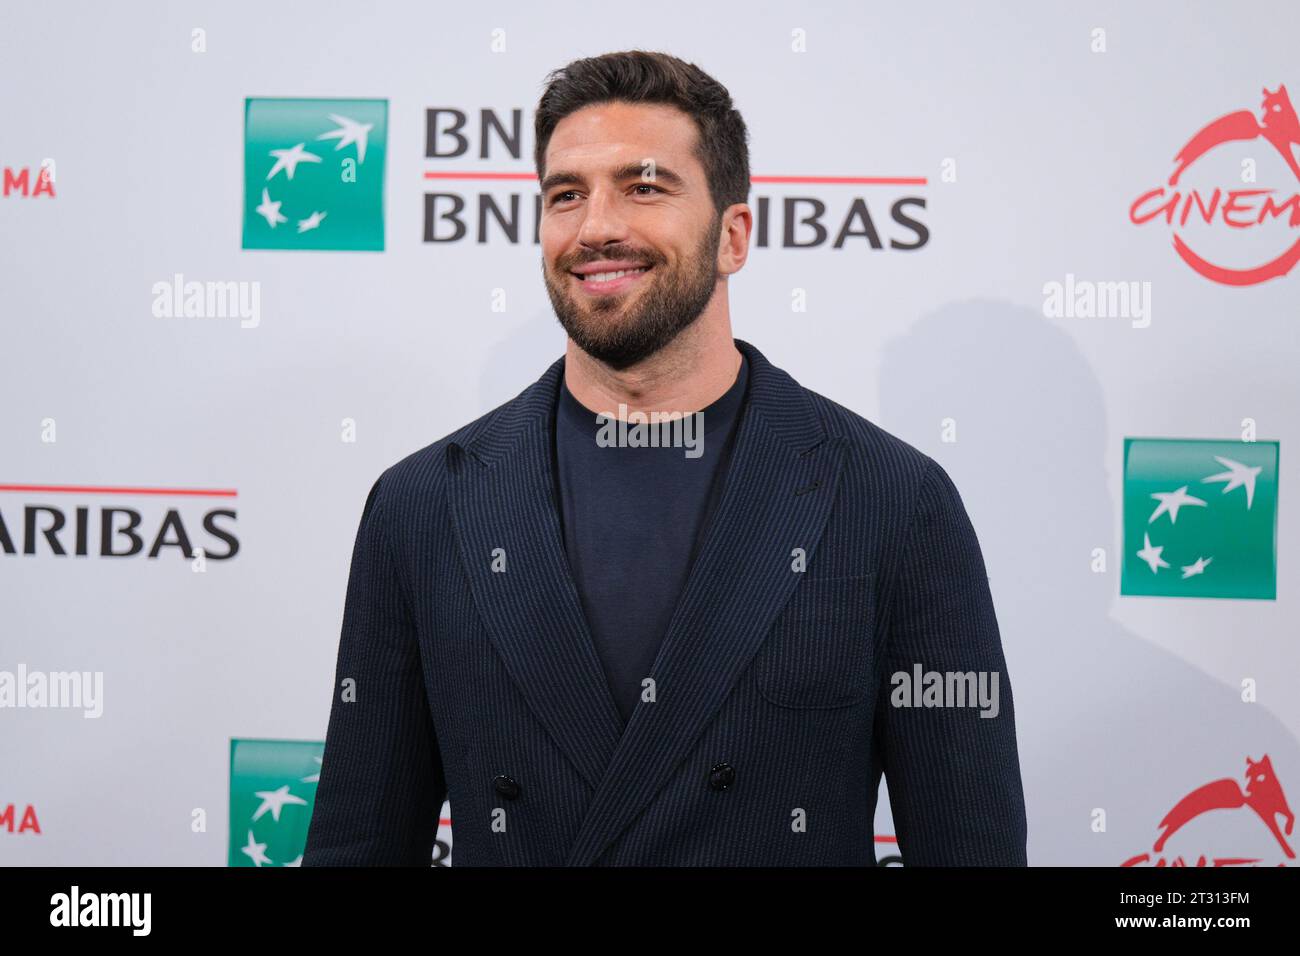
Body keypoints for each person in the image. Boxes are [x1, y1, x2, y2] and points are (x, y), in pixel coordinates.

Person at [302, 49, 1026, 866]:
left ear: (733, 235)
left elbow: (971, 848)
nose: (597, 227)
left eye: (644, 187)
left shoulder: (893, 500)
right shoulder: (423, 505)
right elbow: (358, 843)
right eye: (566, 195)